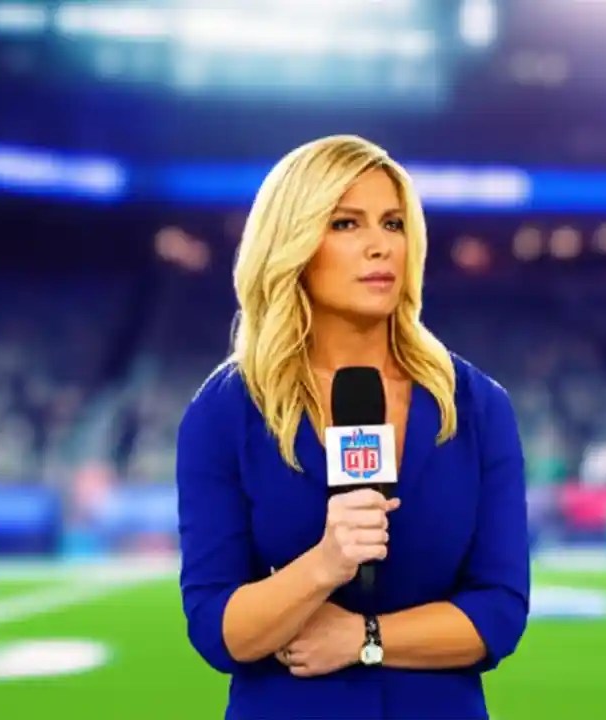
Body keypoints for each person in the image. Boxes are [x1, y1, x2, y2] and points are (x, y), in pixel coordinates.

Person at [175, 134, 530, 720]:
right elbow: (218, 630)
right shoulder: (227, 410)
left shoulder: (477, 407)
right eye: (345, 224)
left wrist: (366, 638)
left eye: (392, 224)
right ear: (293, 242)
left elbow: (499, 613)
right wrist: (323, 565)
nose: (379, 247)